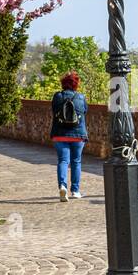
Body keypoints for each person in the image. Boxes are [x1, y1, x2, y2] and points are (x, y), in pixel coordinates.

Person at [50, 71, 88, 202]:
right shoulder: (81, 97)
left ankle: (62, 186)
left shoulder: (57, 96)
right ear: (76, 84)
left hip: (59, 134)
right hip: (78, 134)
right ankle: (76, 191)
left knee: (63, 161)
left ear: (63, 83)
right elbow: (84, 111)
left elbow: (54, 110)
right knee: (76, 162)